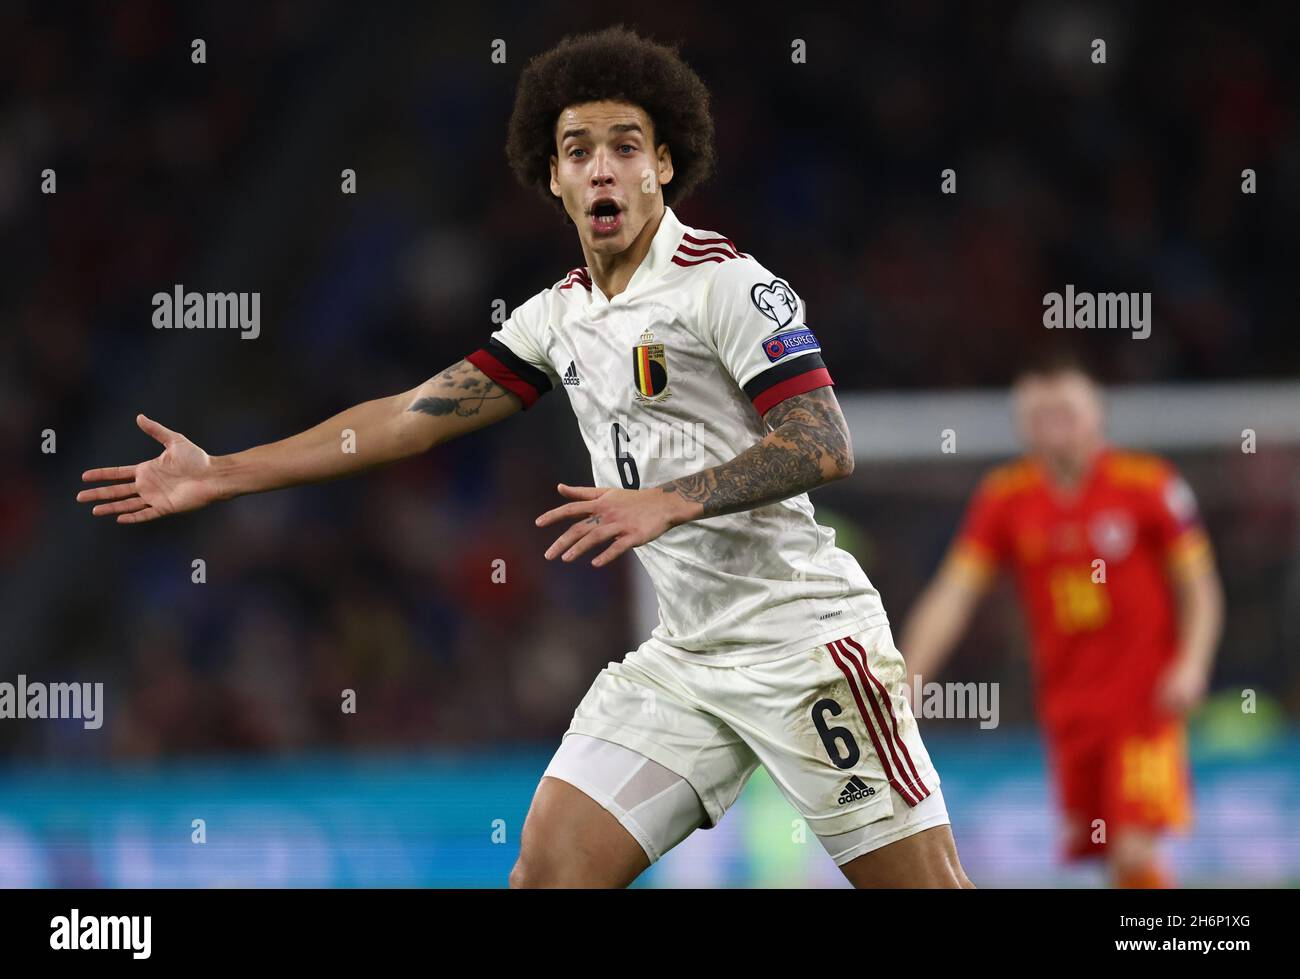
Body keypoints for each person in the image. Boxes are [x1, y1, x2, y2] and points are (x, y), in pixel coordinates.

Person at [78, 26, 970, 889]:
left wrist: (675, 498)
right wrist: (222, 471)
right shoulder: (556, 316)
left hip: (803, 645)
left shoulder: (725, 283)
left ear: (664, 164)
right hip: (684, 661)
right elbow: (407, 418)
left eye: (626, 145)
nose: (602, 166)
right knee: (547, 872)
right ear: (554, 176)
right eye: (578, 149)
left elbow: (825, 441)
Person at [900, 361, 1223, 887]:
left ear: (1097, 414)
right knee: (1105, 851)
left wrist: (1192, 663)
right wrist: (910, 676)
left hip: (1143, 701)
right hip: (1068, 707)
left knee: (1132, 847)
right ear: (1022, 423)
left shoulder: (1149, 485)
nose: (1053, 422)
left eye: (1065, 410)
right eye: (1038, 412)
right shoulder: (1006, 496)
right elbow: (954, 595)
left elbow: (1201, 588)